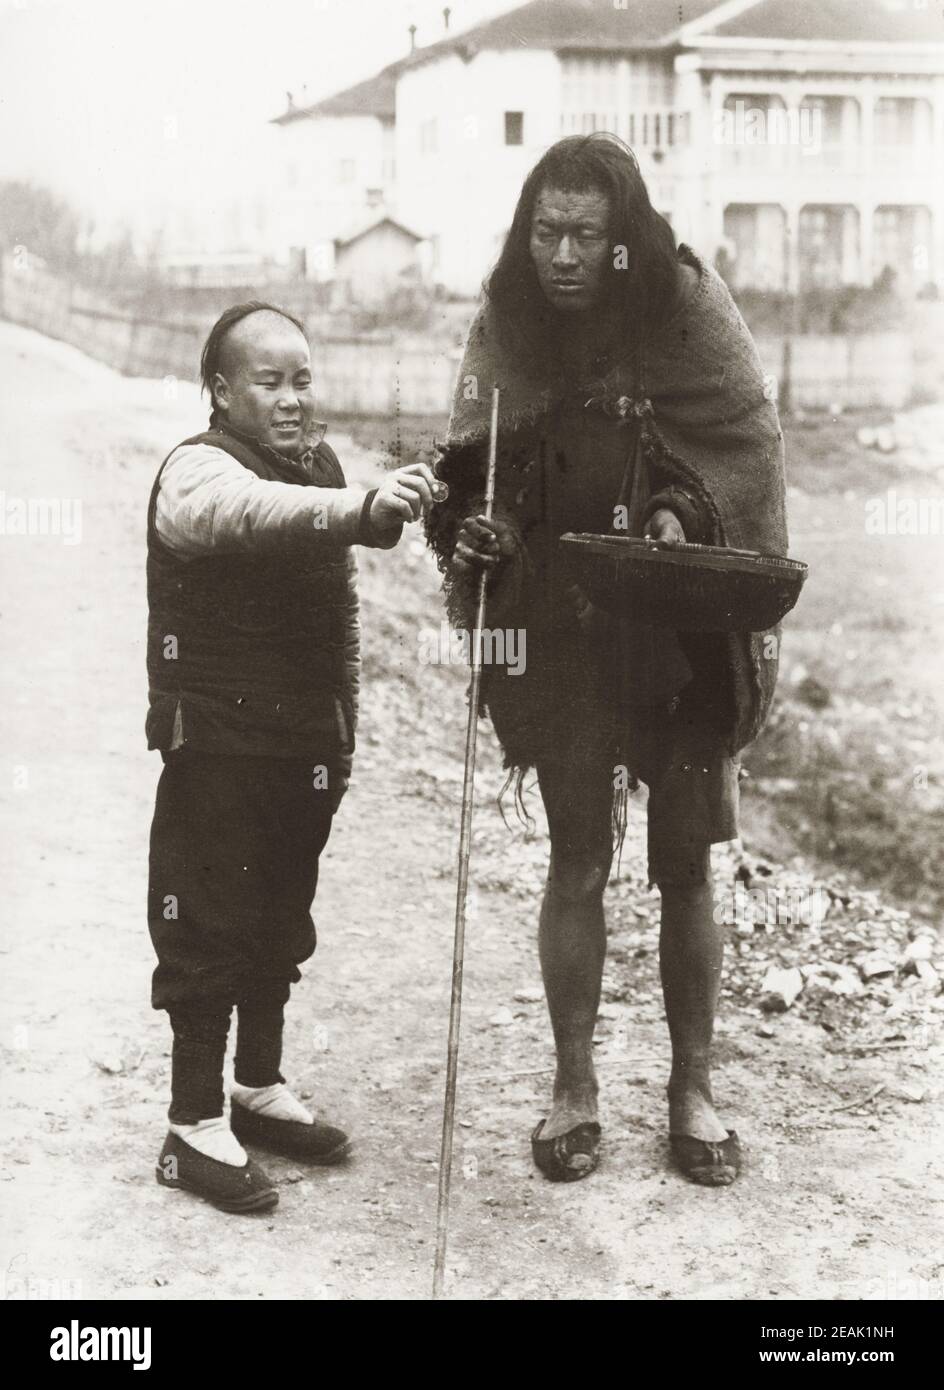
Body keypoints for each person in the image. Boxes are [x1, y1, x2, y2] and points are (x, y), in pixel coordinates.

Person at [426, 136, 788, 1186]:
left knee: (683, 865)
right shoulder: (508, 316)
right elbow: (470, 464)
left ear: (623, 238)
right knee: (576, 855)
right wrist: (484, 525)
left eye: (587, 234)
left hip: (677, 638)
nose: (564, 255)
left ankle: (691, 1089)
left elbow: (742, 442)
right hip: (564, 633)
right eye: (546, 231)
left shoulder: (683, 307)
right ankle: (572, 1087)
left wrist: (677, 515)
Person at [146, 301, 436, 1212]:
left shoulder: (319, 465)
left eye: (302, 380)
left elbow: (338, 603)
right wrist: (356, 508)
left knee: (279, 910)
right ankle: (191, 1126)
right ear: (221, 389)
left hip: (304, 740)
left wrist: (342, 721)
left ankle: (255, 1086)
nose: (289, 399)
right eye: (267, 382)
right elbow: (250, 514)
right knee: (208, 920)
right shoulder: (197, 470)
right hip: (219, 740)